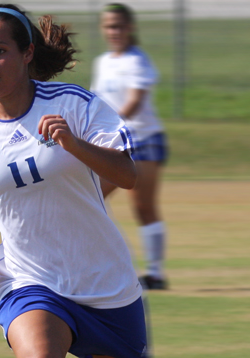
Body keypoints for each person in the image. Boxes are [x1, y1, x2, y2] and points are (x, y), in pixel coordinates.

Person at [0, 4, 148, 358]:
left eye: (0, 51)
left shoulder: (75, 104)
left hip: (104, 283)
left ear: (27, 53)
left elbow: (127, 175)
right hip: (29, 282)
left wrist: (74, 145)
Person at [90, 3, 168, 290]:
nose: (115, 32)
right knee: (91, 199)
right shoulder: (103, 62)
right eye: (110, 26)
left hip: (144, 141)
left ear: (131, 28)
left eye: (120, 26)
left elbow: (134, 102)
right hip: (115, 144)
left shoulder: (138, 61)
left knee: (143, 206)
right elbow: (96, 104)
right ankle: (103, 267)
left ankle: (156, 274)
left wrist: (112, 124)